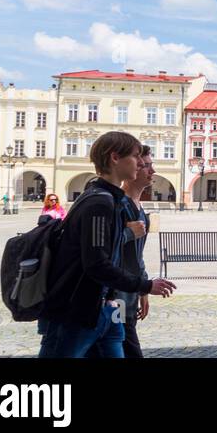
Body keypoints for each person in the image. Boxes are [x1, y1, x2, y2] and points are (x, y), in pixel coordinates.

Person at [37, 131, 176, 358]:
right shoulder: (100, 202)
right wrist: (145, 285)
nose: (141, 163)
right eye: (135, 157)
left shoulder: (109, 199)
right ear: (114, 158)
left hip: (106, 307)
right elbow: (97, 265)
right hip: (79, 310)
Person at [112, 146, 155, 358]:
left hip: (130, 294)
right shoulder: (119, 205)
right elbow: (105, 250)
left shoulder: (140, 208)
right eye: (146, 166)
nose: (152, 171)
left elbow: (137, 256)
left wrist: (143, 289)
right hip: (115, 297)